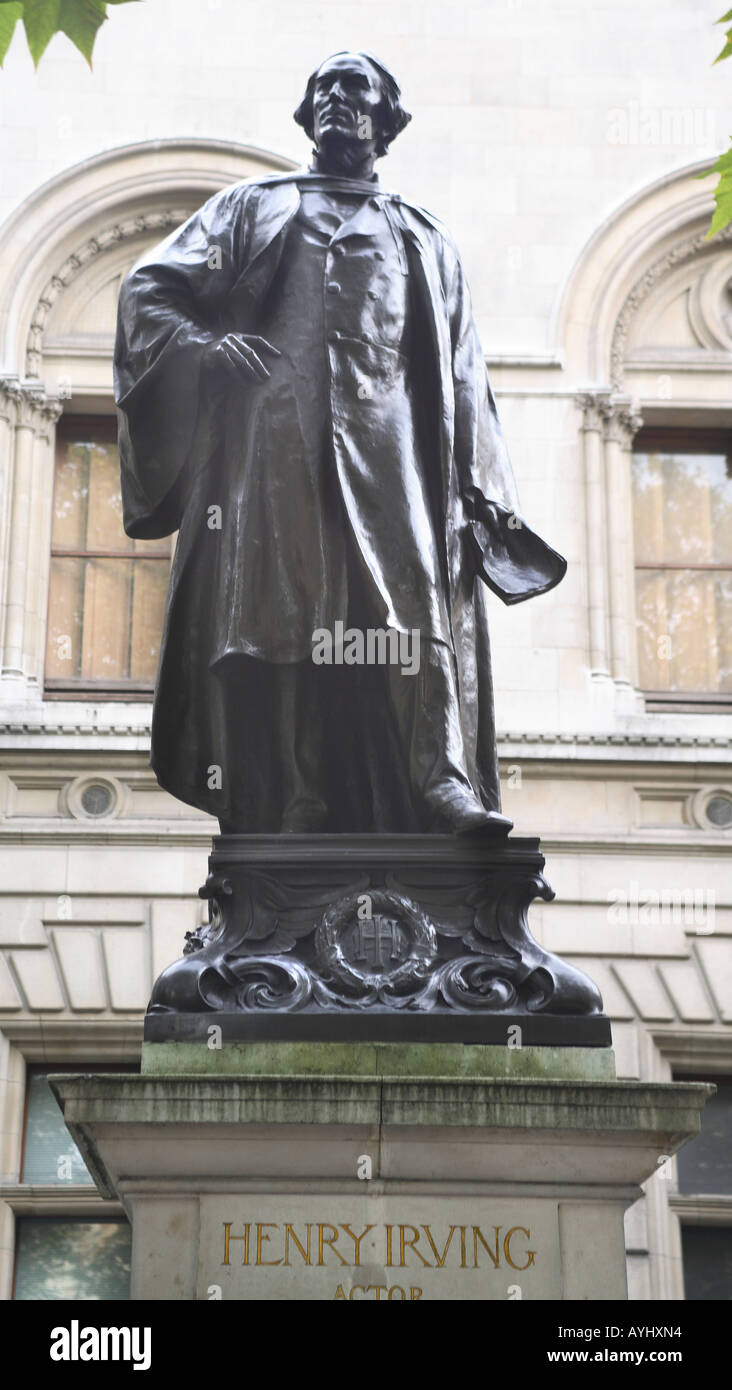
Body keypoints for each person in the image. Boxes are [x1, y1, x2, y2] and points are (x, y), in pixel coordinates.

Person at [114, 51, 565, 836]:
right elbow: (150, 288)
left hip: (394, 454)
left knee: (411, 607)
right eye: (323, 89)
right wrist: (200, 347)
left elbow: (464, 375)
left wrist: (483, 497)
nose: (335, 100)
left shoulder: (422, 235)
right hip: (274, 439)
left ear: (386, 120)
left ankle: (440, 783)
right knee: (278, 615)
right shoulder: (249, 207)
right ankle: (296, 795)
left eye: (355, 89)